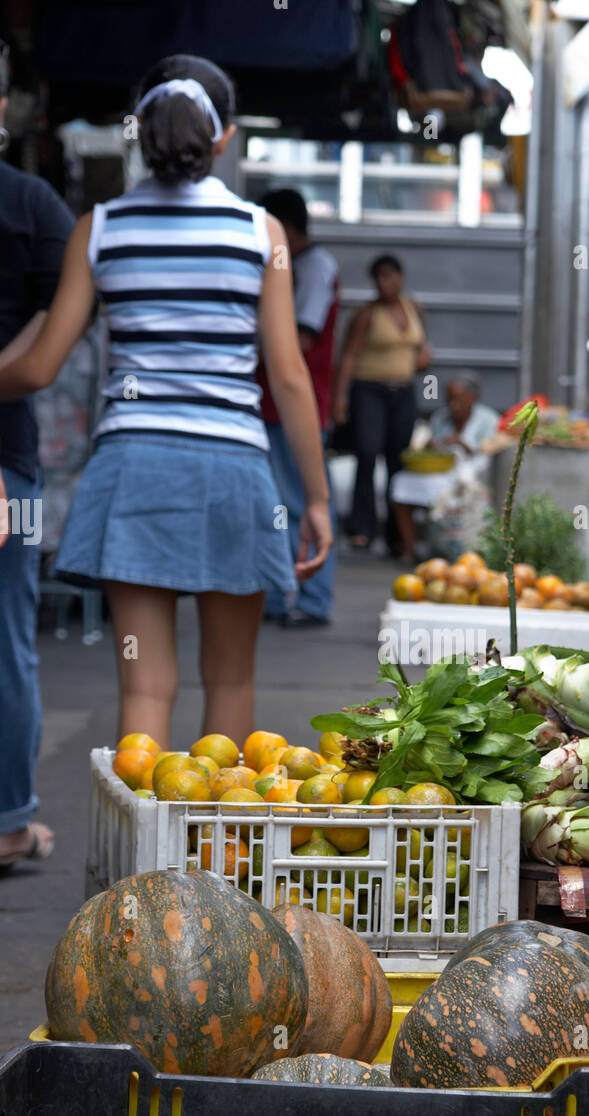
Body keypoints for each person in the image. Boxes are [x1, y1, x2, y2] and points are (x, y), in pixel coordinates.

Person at [0, 54, 332, 751]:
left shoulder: (101, 229)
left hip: (135, 469)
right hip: (234, 473)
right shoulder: (259, 234)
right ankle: (215, 853)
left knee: (144, 686)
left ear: (138, 130)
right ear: (224, 137)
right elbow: (290, 377)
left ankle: (135, 860)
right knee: (232, 682)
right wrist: (318, 499)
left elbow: (37, 367)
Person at [0, 37, 74, 870]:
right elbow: (54, 339)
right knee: (7, 639)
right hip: (9, 464)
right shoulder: (35, 208)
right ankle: (9, 820)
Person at [258, 187, 339, 627]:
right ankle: (276, 595)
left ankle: (313, 599)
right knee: (278, 504)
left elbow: (298, 342)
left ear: (285, 227)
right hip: (271, 404)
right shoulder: (290, 265)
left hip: (298, 406)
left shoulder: (314, 267)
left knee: (306, 502)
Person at [333, 253, 430, 553]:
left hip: (402, 390)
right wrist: (340, 397)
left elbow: (422, 346)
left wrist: (422, 360)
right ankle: (362, 527)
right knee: (367, 451)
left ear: (400, 278)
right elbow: (348, 354)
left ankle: (397, 533)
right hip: (369, 389)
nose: (384, 283)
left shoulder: (414, 308)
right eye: (379, 277)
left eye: (389, 276)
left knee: (397, 458)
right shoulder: (366, 315)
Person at [390, 372, 499, 560]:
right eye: (450, 400)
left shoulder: (489, 419)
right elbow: (428, 447)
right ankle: (410, 549)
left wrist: (463, 444)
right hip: (440, 472)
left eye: (459, 400)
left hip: (473, 476)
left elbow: (490, 453)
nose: (453, 406)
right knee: (401, 483)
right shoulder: (440, 418)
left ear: (472, 398)